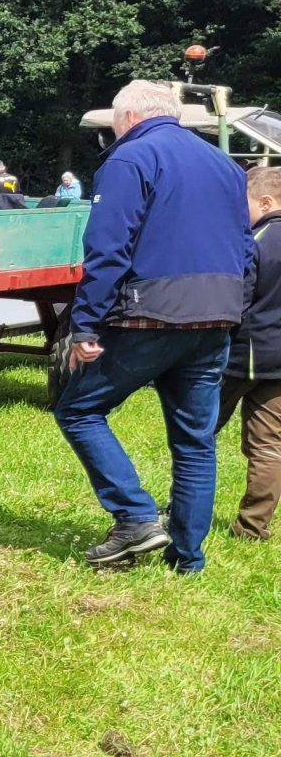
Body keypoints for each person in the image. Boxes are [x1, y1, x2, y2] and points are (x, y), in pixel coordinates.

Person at [53, 80, 256, 572]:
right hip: (217, 314)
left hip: (151, 310)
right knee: (195, 441)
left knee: (77, 408)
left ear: (128, 118)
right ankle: (187, 558)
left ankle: (136, 517)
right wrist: (234, 308)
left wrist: (84, 327)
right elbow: (245, 249)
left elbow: (107, 249)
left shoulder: (129, 159)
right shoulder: (226, 166)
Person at [219, 166, 281, 538]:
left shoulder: (256, 240)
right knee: (268, 443)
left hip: (243, 355)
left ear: (266, 201)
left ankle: (182, 508)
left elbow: (236, 299)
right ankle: (253, 526)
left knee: (197, 433)